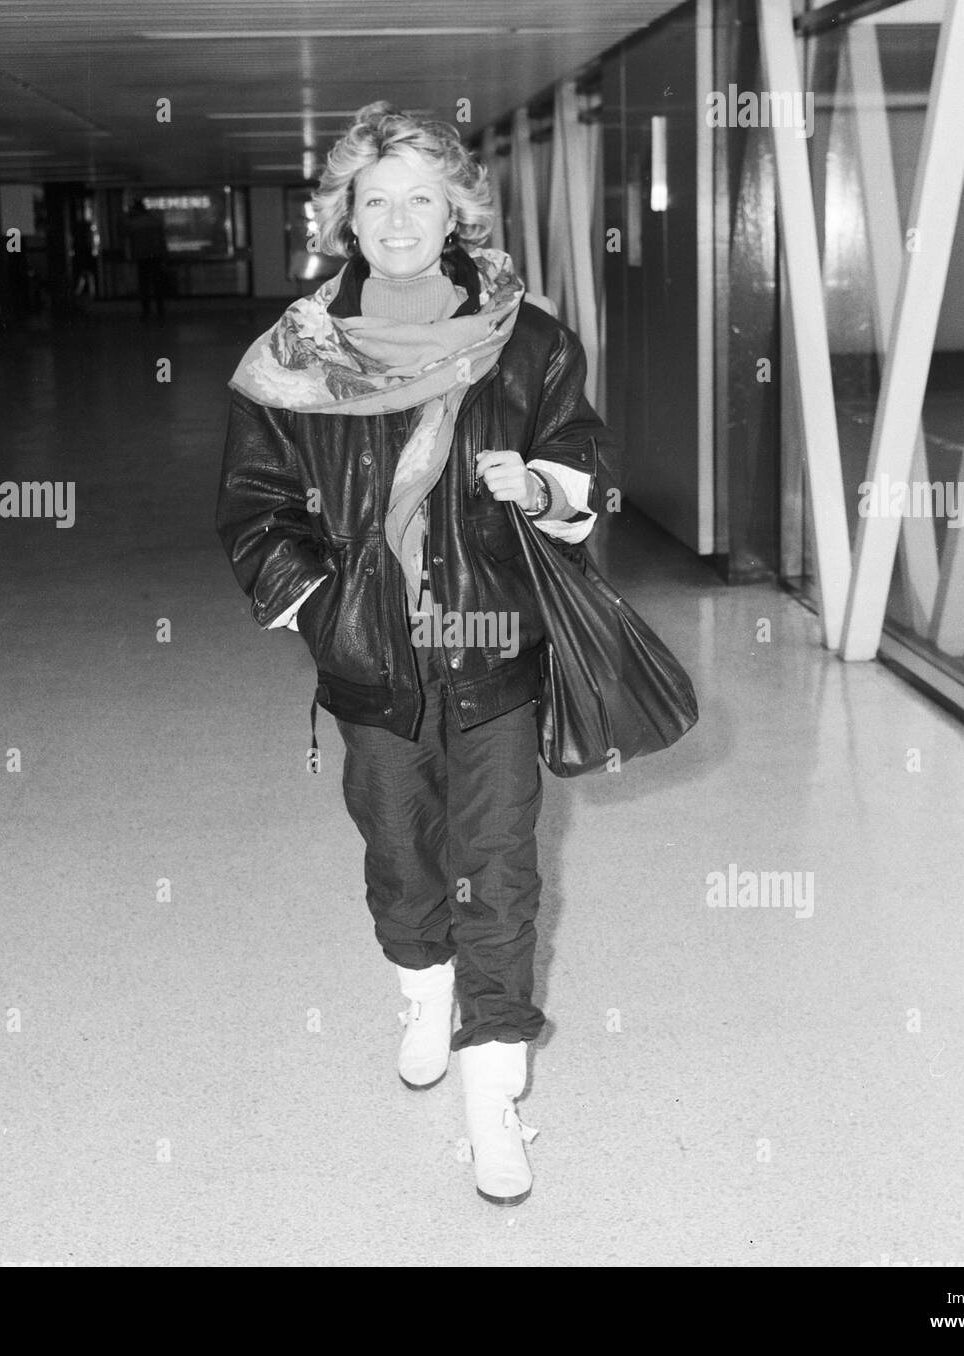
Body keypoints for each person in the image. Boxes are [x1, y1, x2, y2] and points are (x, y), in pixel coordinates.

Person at [215, 102, 606, 1206]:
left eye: (418, 198)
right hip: (371, 662)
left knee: (501, 863)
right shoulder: (300, 349)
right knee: (398, 853)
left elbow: (578, 456)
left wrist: (537, 486)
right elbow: (254, 507)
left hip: (494, 650)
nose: (395, 219)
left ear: (455, 214)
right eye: (373, 198)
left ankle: (494, 1096)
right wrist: (324, 610)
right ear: (345, 213)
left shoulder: (526, 341)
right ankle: (420, 985)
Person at [125, 197, 167, 321]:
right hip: (155, 256)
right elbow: (162, 240)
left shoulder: (134, 223)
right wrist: (164, 255)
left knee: (144, 285)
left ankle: (146, 311)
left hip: (142, 257)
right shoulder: (155, 221)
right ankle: (160, 309)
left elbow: (124, 235)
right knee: (157, 284)